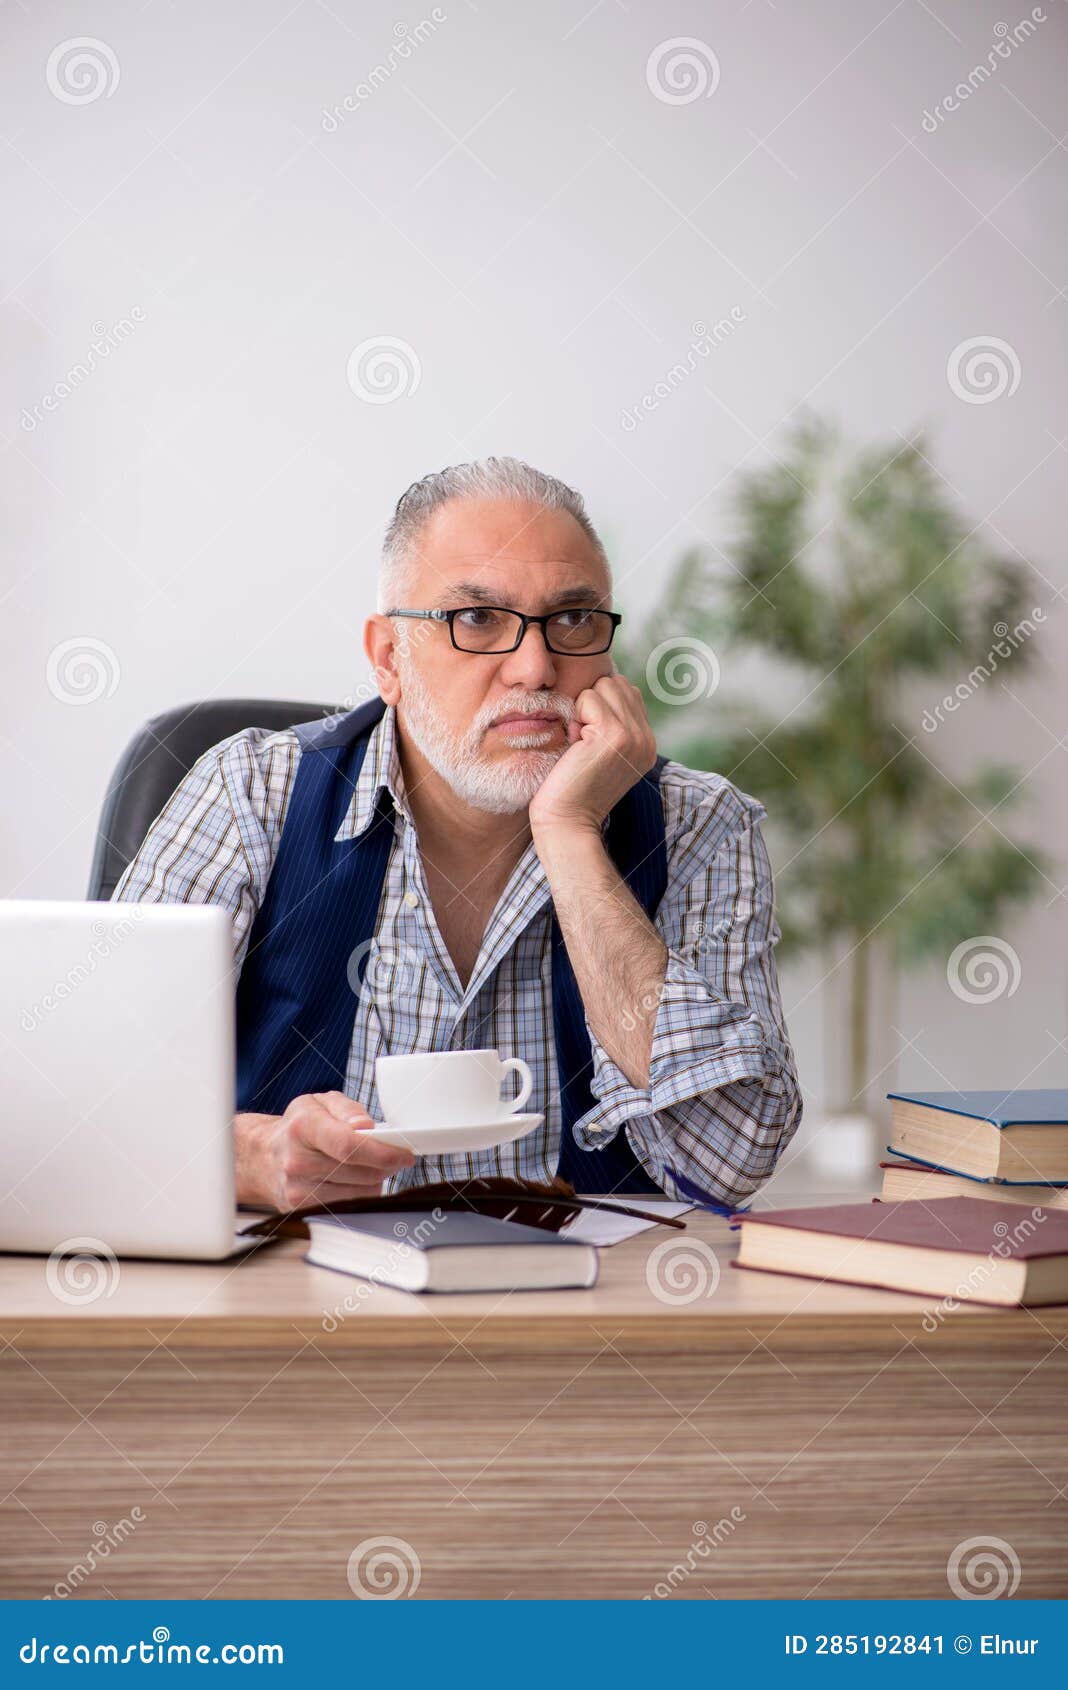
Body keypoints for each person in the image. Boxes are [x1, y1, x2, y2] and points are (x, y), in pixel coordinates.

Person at [114, 456, 801, 1211]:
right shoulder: (252, 793)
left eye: (571, 618)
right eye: (476, 619)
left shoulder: (698, 824)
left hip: (591, 1313)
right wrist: (247, 1159)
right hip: (294, 1309)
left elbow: (729, 1161)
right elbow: (87, 1103)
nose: (535, 667)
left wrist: (570, 834)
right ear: (388, 658)